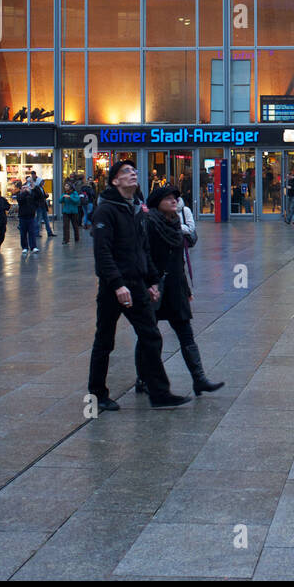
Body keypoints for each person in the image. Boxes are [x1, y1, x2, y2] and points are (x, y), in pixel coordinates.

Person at [88, 160, 188, 410]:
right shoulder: (106, 210)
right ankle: (97, 394)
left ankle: (159, 393)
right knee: (105, 340)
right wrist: (117, 285)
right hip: (114, 287)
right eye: (126, 172)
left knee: (151, 336)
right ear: (115, 181)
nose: (132, 174)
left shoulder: (138, 209)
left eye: (134, 171)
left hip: (138, 284)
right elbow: (103, 253)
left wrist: (152, 280)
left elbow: (143, 248)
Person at [145, 184, 224, 396]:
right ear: (157, 203)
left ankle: (199, 379)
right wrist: (148, 284)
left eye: (175, 198)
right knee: (150, 336)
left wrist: (186, 288)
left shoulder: (174, 224)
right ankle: (143, 378)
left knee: (186, 334)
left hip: (175, 287)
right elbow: (144, 257)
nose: (174, 201)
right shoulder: (149, 223)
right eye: (169, 198)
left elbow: (178, 260)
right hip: (154, 287)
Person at [11, 180, 39, 255]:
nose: (25, 189)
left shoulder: (31, 194)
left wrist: (34, 187)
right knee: (23, 233)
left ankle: (33, 246)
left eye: (26, 187)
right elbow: (20, 200)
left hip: (31, 216)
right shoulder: (19, 195)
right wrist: (24, 192)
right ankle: (25, 247)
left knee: (32, 232)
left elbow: (38, 196)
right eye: (23, 188)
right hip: (22, 216)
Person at [28, 170, 55, 239]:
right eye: (42, 182)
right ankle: (37, 232)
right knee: (39, 219)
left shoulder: (41, 188)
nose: (43, 183)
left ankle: (49, 232)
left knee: (46, 219)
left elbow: (42, 196)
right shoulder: (36, 188)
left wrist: (46, 195)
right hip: (39, 206)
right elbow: (37, 196)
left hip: (42, 205)